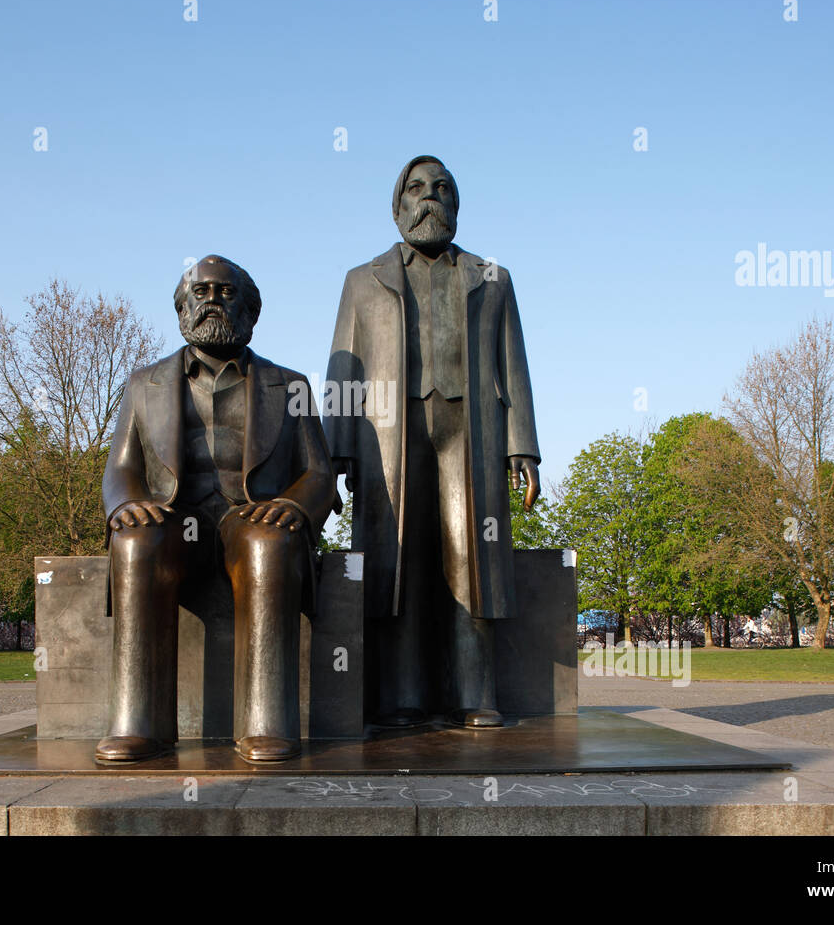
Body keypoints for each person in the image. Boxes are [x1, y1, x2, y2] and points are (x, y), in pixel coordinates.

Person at [324, 156, 542, 728]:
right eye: (416, 189)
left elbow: (512, 365)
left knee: (472, 557)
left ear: (456, 204)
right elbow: (343, 369)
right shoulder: (361, 279)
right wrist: (337, 451)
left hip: (472, 429)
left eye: (442, 188)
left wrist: (522, 445)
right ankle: (403, 698)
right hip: (388, 435)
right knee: (400, 561)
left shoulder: (492, 277)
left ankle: (476, 694)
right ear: (397, 207)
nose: (430, 198)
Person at [98, 256, 334, 763]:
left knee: (269, 541)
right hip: (173, 519)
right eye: (200, 292)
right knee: (136, 541)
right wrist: (125, 505)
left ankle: (267, 722)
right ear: (182, 307)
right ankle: (139, 725)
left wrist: (294, 505)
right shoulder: (145, 384)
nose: (212, 301)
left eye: (226, 292)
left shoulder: (289, 386)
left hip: (247, 517)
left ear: (251, 310)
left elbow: (319, 471)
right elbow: (120, 468)